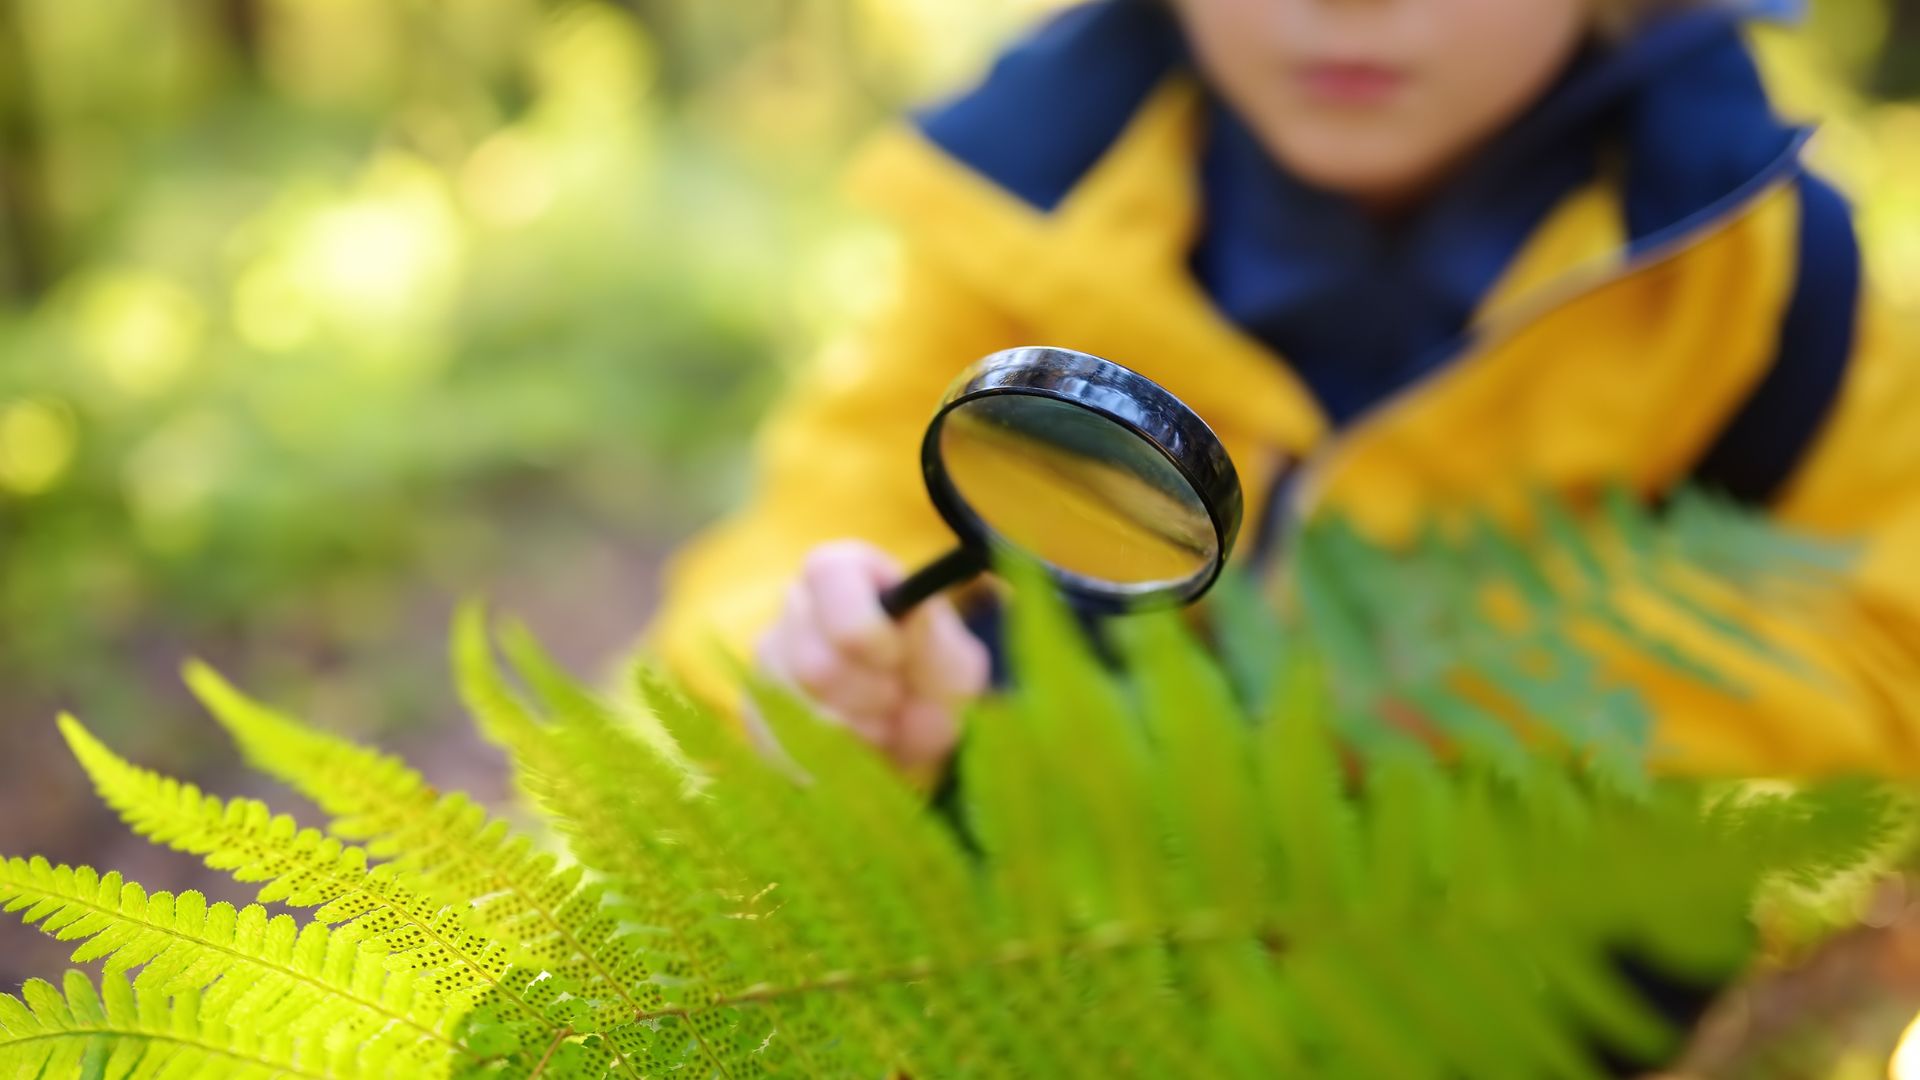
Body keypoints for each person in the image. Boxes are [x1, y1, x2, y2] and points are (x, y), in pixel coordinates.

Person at [648, 0, 1920, 777]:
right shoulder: (1012, 206)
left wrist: (1452, 694)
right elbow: (807, 520)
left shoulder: (1770, 290)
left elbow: (1888, 659)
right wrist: (798, 669)